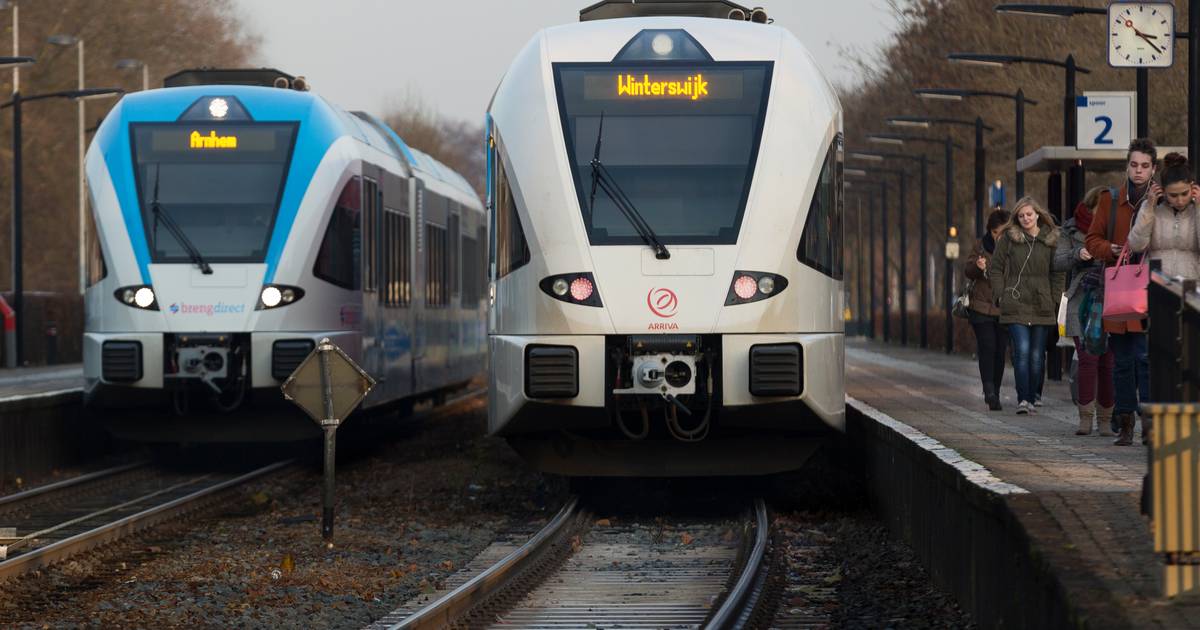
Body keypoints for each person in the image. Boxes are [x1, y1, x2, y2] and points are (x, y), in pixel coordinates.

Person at [1085, 138, 1156, 446]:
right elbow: (1091, 240)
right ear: (1127, 166)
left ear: (1153, 169)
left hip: (1152, 293)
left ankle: (1150, 424)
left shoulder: (1162, 200)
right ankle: (1125, 423)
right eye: (1133, 165)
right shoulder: (1110, 200)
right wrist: (1108, 250)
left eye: (1144, 166)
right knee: (1123, 363)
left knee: (1146, 360)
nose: (1138, 171)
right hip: (1120, 290)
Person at [990, 197, 1065, 415]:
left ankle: (1033, 397)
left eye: (1029, 214)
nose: (1025, 219)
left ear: (1038, 215)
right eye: (1021, 215)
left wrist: (1054, 299)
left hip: (1042, 303)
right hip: (1015, 301)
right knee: (1021, 351)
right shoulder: (1009, 239)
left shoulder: (1051, 240)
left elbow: (1058, 272)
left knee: (1036, 354)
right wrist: (1000, 293)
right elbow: (996, 268)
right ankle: (1023, 399)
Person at [1053, 187, 1115, 436]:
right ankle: (1085, 417)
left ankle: (1106, 419)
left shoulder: (1116, 227)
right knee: (1088, 359)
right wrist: (1077, 254)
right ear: (1089, 207)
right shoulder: (1070, 229)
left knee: (1108, 362)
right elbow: (1057, 261)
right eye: (1097, 209)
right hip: (1082, 300)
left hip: (1112, 297)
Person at [965, 209, 1011, 411]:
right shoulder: (980, 246)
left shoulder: (1014, 247)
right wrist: (977, 265)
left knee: (1000, 351)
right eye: (995, 232)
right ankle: (989, 390)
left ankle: (996, 391)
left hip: (1004, 308)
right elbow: (968, 271)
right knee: (988, 347)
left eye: (1002, 232)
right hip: (981, 307)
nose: (998, 236)